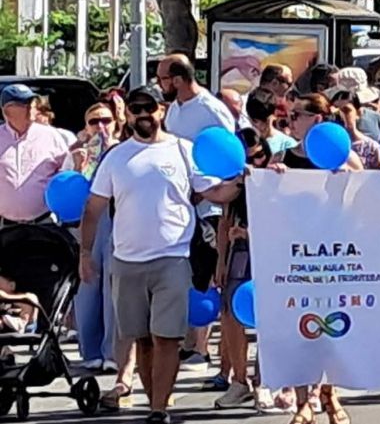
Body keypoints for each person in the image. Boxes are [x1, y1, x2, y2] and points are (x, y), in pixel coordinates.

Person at [79, 85, 239, 424]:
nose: (143, 114)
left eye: (148, 108)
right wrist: (84, 253)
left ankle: (159, 409)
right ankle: (155, 401)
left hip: (173, 258)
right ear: (129, 114)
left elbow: (212, 190)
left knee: (167, 337)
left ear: (161, 111)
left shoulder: (183, 150)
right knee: (142, 338)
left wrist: (244, 180)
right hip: (127, 261)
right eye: (136, 108)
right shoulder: (116, 157)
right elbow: (93, 208)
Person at [274, 94, 361, 424]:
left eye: (298, 115)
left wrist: (345, 174)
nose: (291, 121)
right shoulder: (284, 156)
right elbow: (270, 201)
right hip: (296, 257)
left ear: (318, 120)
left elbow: (365, 190)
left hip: (334, 256)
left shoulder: (343, 155)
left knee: (330, 328)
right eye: (290, 115)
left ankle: (328, 392)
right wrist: (273, 178)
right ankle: (303, 400)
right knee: (299, 328)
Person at [157, 54, 238, 373]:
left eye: (163, 78)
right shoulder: (175, 109)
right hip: (180, 205)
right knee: (188, 272)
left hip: (210, 207)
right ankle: (190, 342)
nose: (160, 84)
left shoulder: (211, 109)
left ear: (177, 79)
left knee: (206, 272)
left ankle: (203, 347)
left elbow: (227, 157)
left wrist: (205, 189)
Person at [213, 129, 274, 411]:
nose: (256, 163)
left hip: (270, 253)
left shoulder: (274, 176)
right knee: (230, 314)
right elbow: (224, 220)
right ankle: (240, 380)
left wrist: (252, 234)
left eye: (260, 156)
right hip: (238, 255)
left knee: (268, 316)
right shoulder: (235, 185)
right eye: (250, 159)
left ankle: (263, 382)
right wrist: (220, 261)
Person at [72, 103, 122, 372]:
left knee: (113, 285)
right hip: (88, 220)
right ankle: (90, 348)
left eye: (105, 119)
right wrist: (79, 164)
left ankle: (113, 350)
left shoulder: (121, 149)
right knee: (89, 282)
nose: (100, 126)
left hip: (115, 218)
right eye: (94, 121)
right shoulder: (78, 152)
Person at [0, 84, 70, 225]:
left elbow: (66, 171)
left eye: (32, 103)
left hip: (44, 222)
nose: (32, 108)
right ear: (8, 110)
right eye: (25, 104)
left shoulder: (50, 135)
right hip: (6, 227)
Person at [246, 89, 298, 156]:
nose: (263, 126)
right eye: (256, 121)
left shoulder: (288, 144)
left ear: (274, 115)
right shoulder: (242, 141)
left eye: (267, 120)